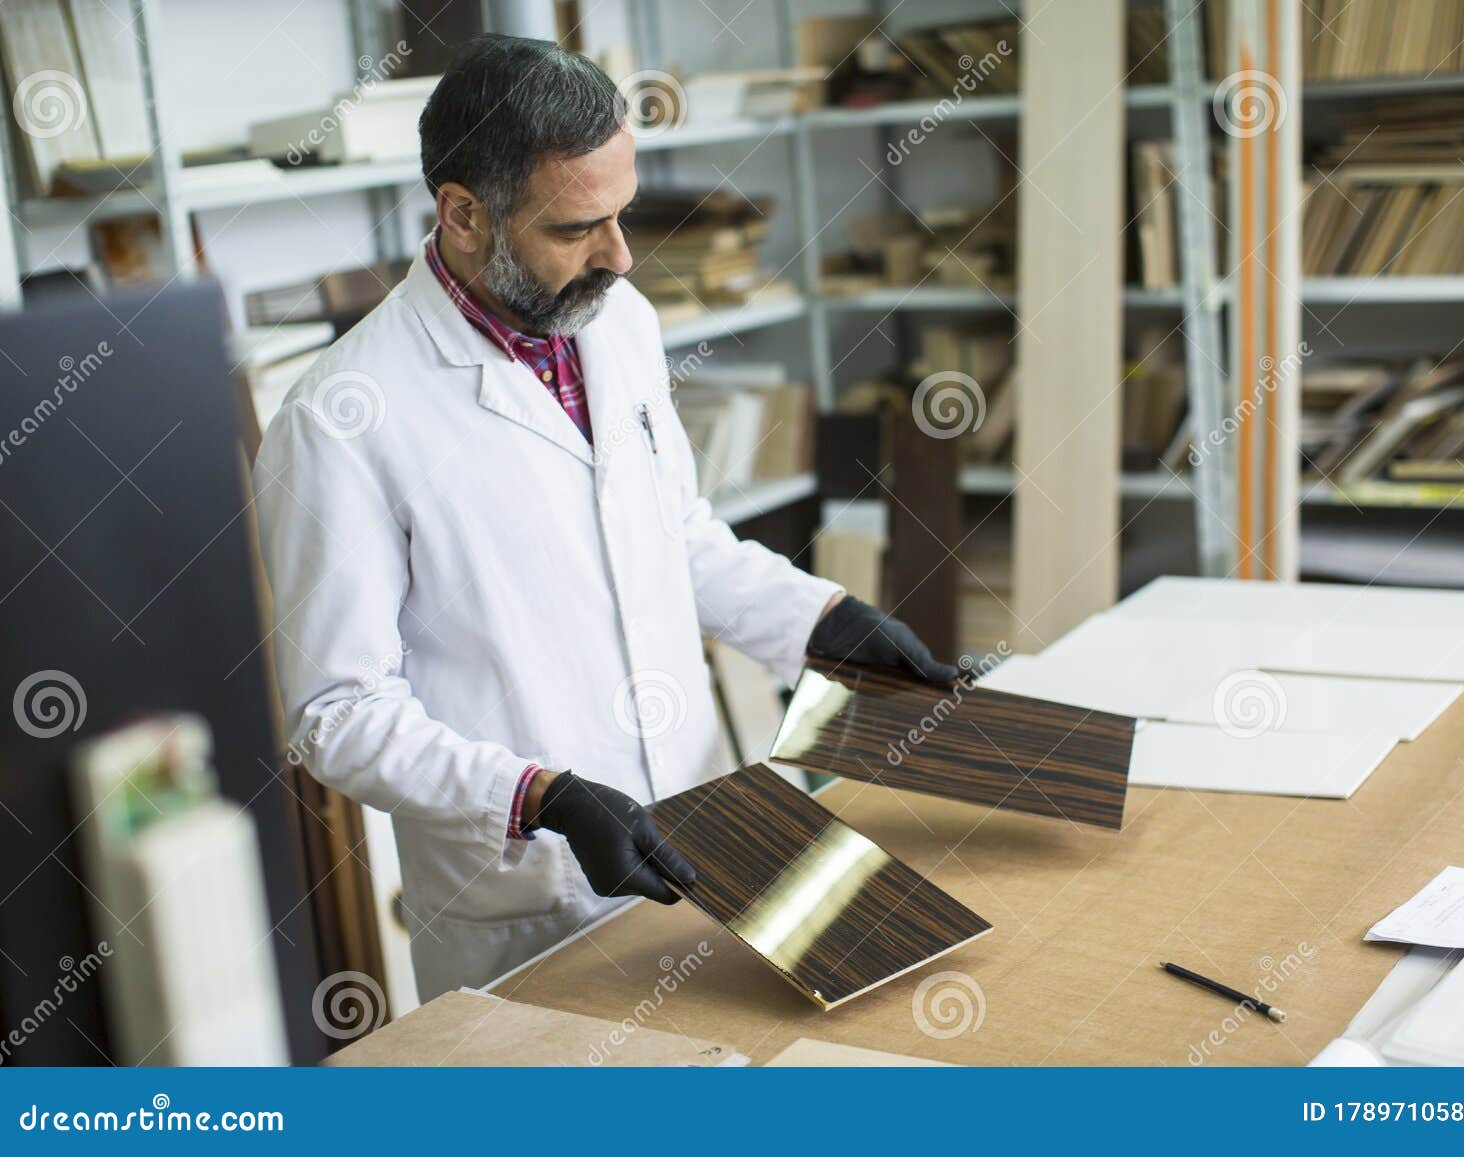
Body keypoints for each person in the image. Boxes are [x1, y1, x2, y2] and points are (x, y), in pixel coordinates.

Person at [253, 35, 956, 999]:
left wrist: (824, 622)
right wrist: (540, 795)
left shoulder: (616, 322)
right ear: (462, 212)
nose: (620, 256)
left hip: (709, 835)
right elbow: (337, 714)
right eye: (579, 226)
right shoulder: (342, 415)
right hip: (531, 901)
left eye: (623, 214)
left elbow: (675, 536)